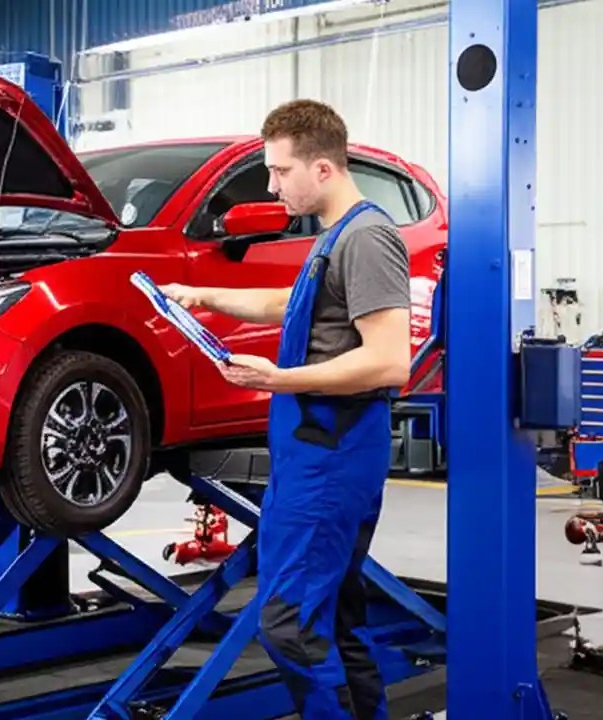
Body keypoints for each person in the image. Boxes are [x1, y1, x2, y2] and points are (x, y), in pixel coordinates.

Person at [161, 99, 412, 720]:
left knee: (290, 623)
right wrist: (201, 295)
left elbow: (389, 361)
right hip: (312, 452)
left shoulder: (369, 238)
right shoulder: (335, 236)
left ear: (322, 168)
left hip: (333, 453)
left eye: (279, 172)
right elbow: (292, 305)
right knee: (333, 617)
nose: (272, 187)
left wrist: (279, 378)